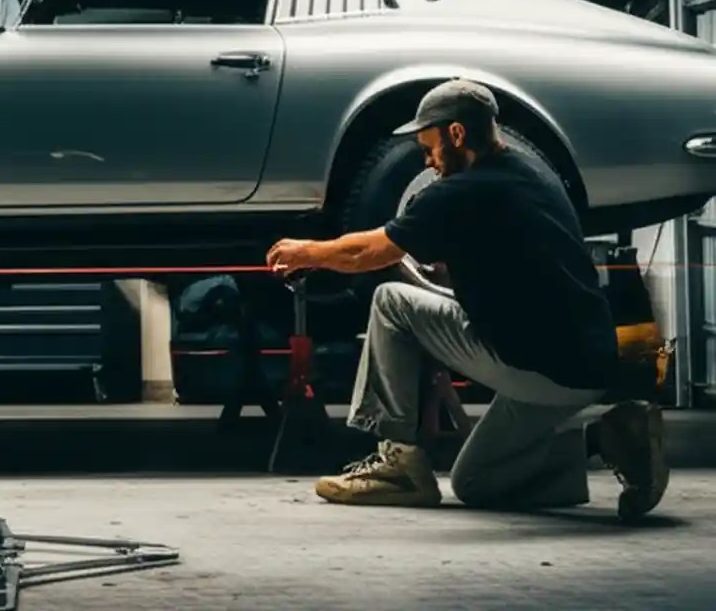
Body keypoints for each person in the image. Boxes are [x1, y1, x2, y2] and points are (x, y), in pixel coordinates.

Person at [264, 78, 668, 521]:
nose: (428, 160)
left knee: (391, 302)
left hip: (536, 366)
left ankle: (400, 465)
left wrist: (307, 252)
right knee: (476, 482)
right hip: (583, 366)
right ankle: (608, 438)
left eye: (429, 146)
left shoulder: (463, 190)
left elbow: (368, 252)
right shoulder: (533, 172)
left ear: (456, 134)